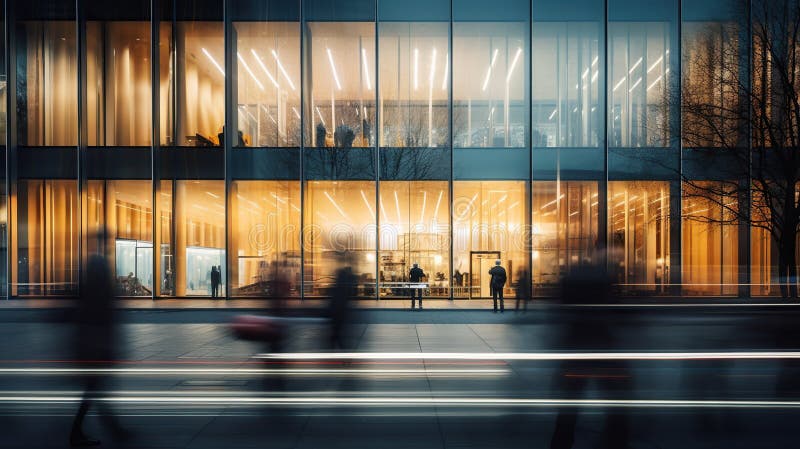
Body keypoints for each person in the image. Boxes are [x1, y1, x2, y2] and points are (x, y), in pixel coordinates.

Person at [70, 243, 129, 446]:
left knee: (94, 391)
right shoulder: (97, 297)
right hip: (94, 351)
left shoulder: (90, 295)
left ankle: (112, 430)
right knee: (94, 391)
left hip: (91, 351)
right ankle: (83, 432)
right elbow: (99, 325)